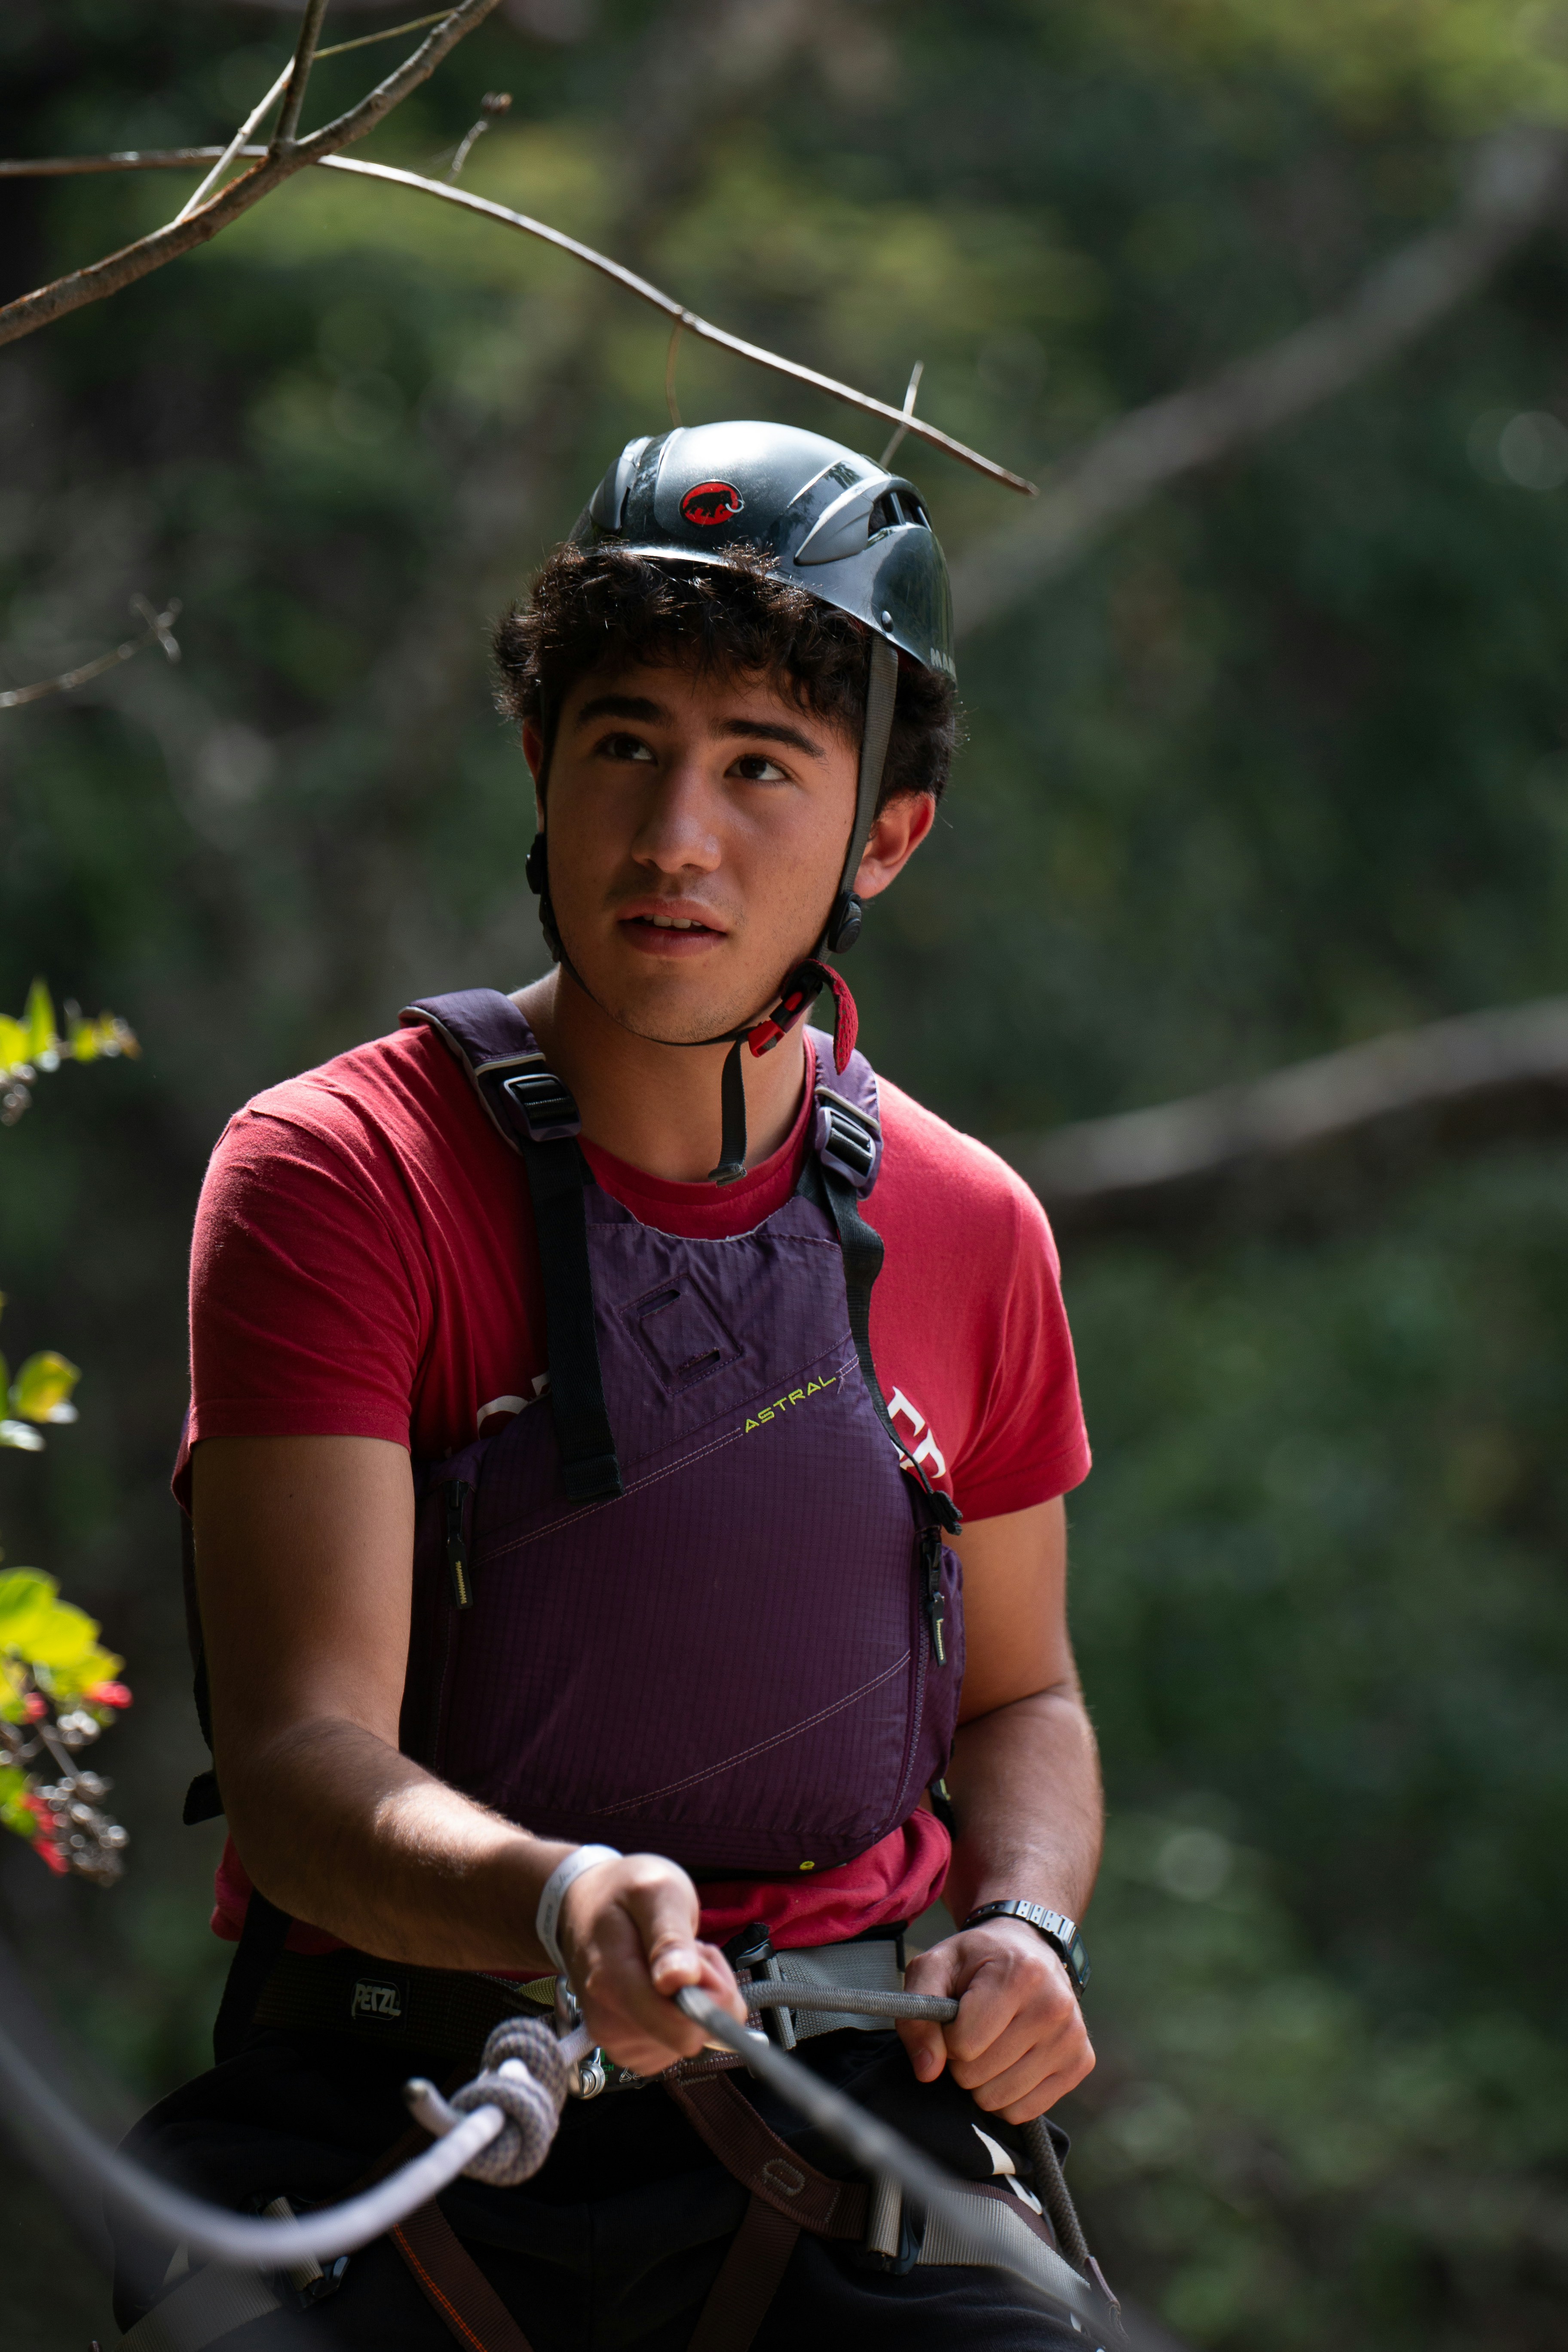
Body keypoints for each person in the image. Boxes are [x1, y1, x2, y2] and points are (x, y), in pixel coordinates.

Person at [113, 420, 1105, 2351]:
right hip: (400, 2118)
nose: (676, 839)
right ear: (539, 767)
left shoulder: (971, 1228)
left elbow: (1027, 1696)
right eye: (627, 744)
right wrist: (560, 1903)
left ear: (882, 838)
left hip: (836, 2146)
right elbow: (306, 1773)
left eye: (762, 770)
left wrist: (1027, 1921)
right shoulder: (340, 1175)